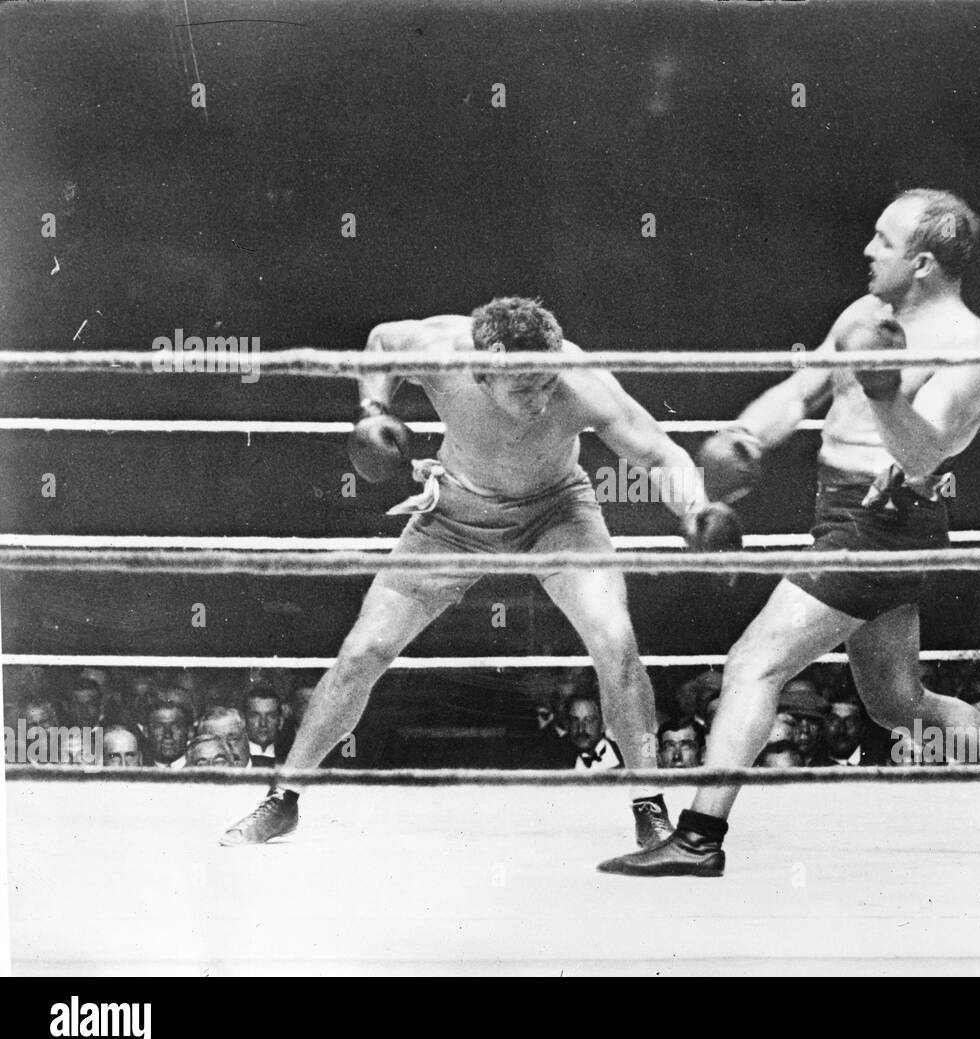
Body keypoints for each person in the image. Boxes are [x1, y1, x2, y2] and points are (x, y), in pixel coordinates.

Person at [600, 189, 980, 877]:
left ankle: (698, 837)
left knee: (753, 663)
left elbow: (924, 454)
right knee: (898, 702)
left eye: (882, 242)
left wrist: (884, 391)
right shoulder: (867, 314)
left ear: (922, 262)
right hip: (841, 512)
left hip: (884, 521)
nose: (867, 251)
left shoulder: (968, 346)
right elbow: (803, 389)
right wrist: (747, 436)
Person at [221, 296, 738, 846]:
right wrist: (372, 410)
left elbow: (659, 451)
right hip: (455, 516)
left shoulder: (580, 381)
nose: (541, 401)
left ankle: (649, 804)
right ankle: (283, 798)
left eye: (546, 384)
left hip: (557, 513)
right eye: (523, 389)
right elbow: (379, 342)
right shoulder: (441, 351)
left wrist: (696, 509)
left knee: (615, 640)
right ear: (483, 371)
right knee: (363, 651)